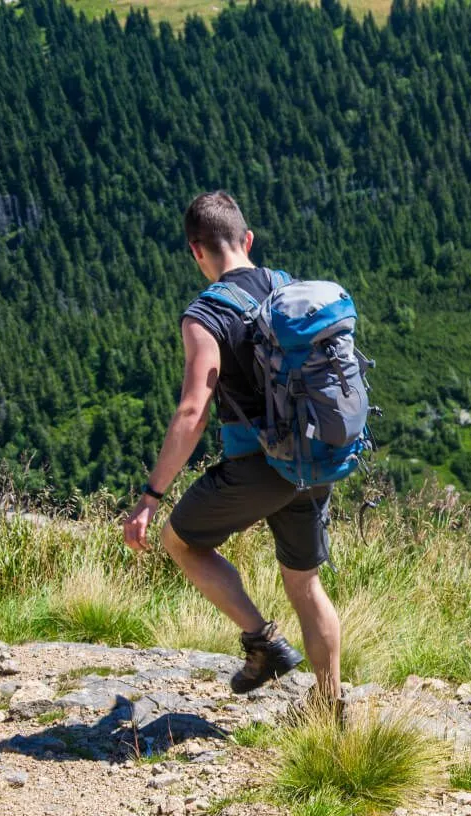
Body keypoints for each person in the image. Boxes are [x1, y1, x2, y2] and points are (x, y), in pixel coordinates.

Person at [122, 191, 341, 705]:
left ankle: (262, 642)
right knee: (306, 586)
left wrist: (151, 497)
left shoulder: (205, 316)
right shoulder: (290, 290)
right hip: (315, 460)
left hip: (259, 468)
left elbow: (192, 413)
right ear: (247, 239)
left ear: (195, 251)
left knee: (181, 542)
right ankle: (331, 711)